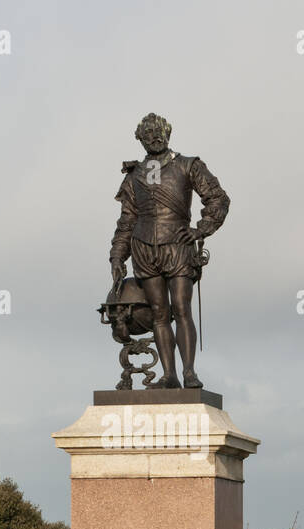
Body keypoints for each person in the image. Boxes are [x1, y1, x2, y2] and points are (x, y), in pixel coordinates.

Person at [109, 113, 229, 389]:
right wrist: (117, 255)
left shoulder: (188, 166)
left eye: (157, 132)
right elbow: (127, 219)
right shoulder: (134, 176)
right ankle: (169, 375)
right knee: (159, 313)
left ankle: (189, 372)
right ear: (139, 139)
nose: (153, 138)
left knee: (181, 308)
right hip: (143, 247)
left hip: (177, 244)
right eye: (147, 135)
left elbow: (218, 198)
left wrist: (201, 229)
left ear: (168, 133)